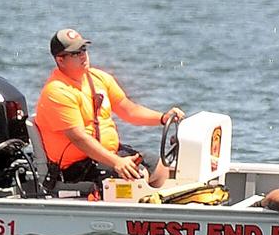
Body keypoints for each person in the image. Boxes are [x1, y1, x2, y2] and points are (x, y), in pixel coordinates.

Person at [34, 29, 184, 188]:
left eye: (83, 49)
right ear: (60, 60)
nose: (83, 56)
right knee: (136, 176)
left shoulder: (99, 78)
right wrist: (117, 162)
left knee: (158, 167)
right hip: (75, 168)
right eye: (75, 53)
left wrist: (163, 118)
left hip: (107, 155)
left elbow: (129, 110)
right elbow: (79, 138)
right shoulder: (57, 91)